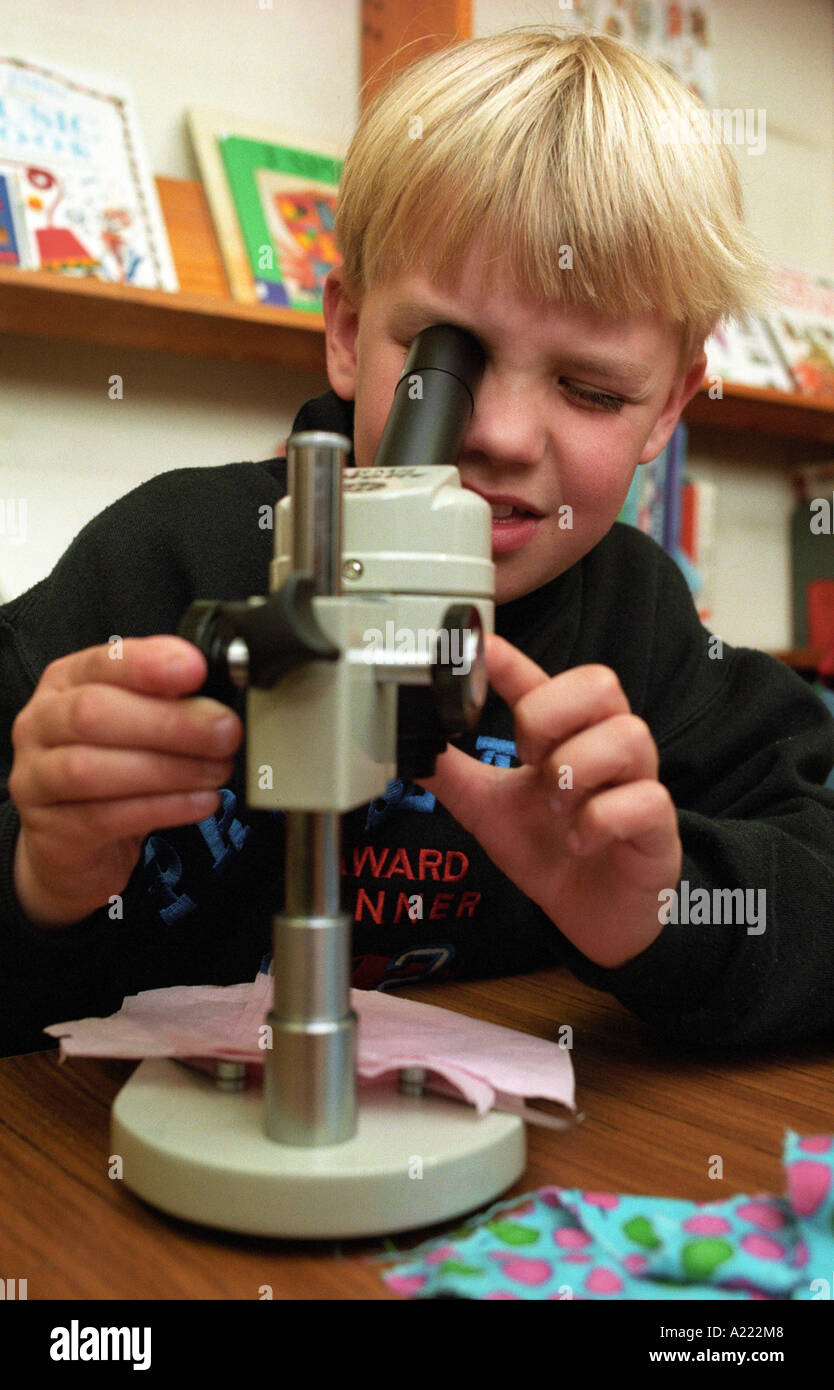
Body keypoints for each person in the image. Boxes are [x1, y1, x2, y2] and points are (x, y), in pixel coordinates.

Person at [2, 27, 833, 1058]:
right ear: (349, 332)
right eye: (450, 359)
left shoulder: (645, 627)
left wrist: (663, 913)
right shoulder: (167, 559)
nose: (501, 434)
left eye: (593, 390)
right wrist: (43, 881)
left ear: (668, 408)